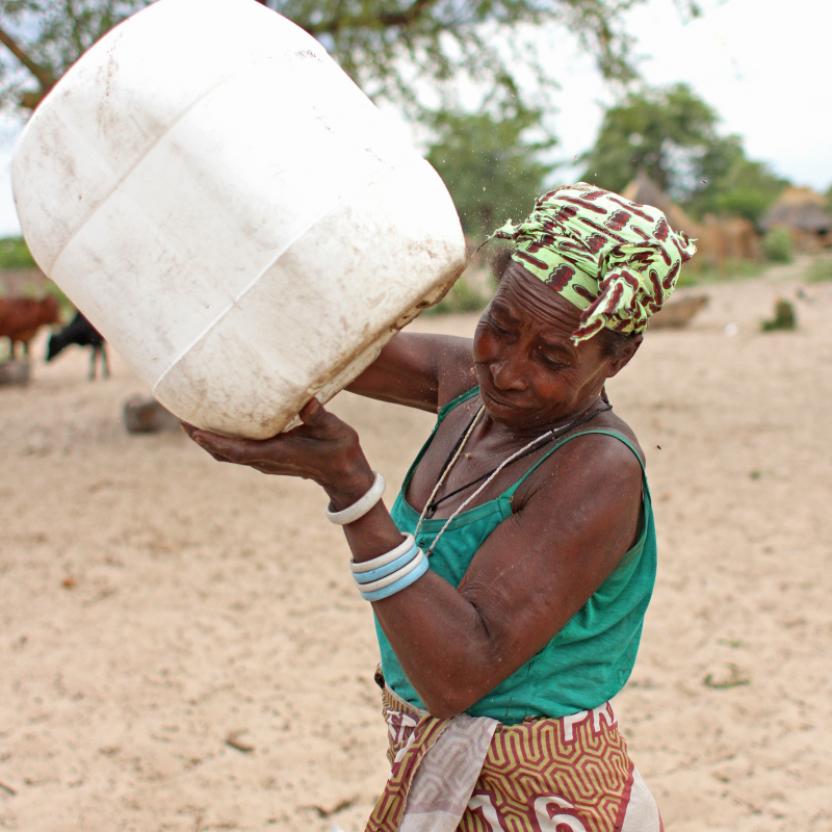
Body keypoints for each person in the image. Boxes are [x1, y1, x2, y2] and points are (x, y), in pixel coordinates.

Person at [183, 182, 695, 831]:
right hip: (438, 769)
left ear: (618, 358)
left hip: (542, 803)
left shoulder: (594, 469)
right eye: (500, 328)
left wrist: (350, 488)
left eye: (552, 356)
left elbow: (457, 676)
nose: (507, 370)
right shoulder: (466, 382)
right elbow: (309, 343)